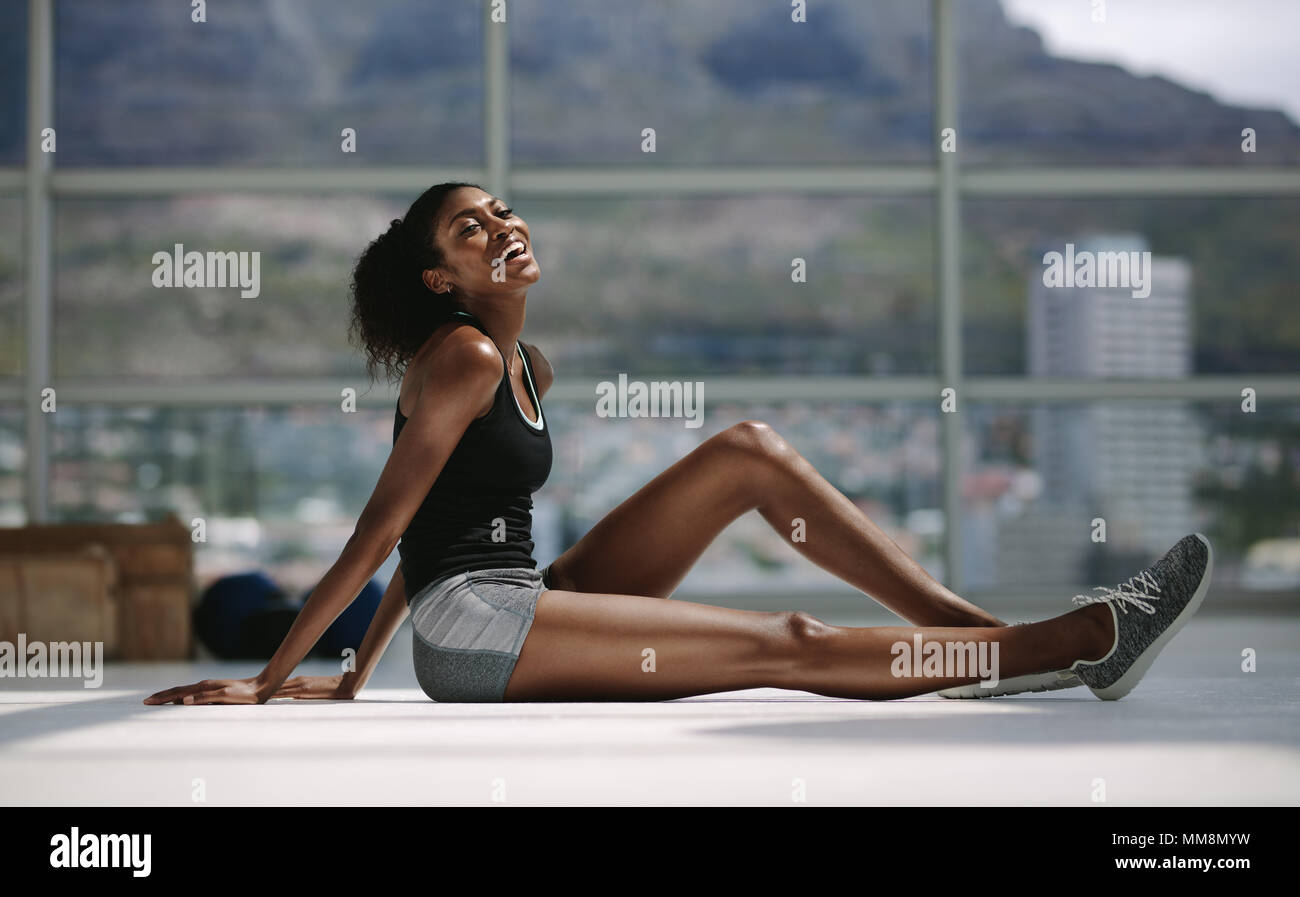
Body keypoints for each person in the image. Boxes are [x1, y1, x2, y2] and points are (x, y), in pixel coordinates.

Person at [144, 183, 1213, 707]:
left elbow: (425, 535)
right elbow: (384, 530)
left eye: (500, 210)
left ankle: (985, 644)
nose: (499, 225)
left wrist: (351, 678)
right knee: (781, 639)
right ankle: (1070, 641)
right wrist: (292, 678)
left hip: (519, 592)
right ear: (442, 280)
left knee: (746, 450)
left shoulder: (526, 364)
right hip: (481, 632)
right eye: (468, 229)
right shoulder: (463, 357)